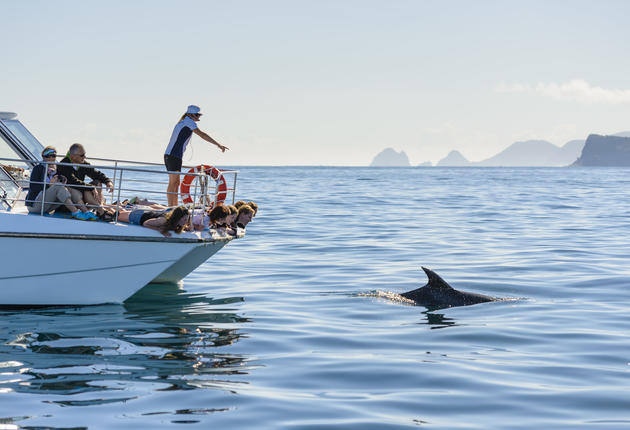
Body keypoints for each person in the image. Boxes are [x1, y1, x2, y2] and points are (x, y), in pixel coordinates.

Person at [164, 105, 229, 207]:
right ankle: (171, 206)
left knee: (176, 182)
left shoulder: (186, 121)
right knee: (173, 182)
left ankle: (174, 205)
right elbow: (202, 135)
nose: (199, 116)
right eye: (197, 114)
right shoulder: (188, 121)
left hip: (174, 156)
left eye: (199, 114)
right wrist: (218, 144)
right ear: (191, 115)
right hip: (172, 155)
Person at [24, 146, 94, 220]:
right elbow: (33, 187)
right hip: (35, 205)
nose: (51, 158)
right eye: (48, 156)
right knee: (58, 186)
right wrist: (49, 185)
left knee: (68, 188)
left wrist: (63, 182)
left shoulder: (56, 170)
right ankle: (76, 212)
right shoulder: (38, 168)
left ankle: (85, 211)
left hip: (47, 206)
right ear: (43, 157)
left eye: (53, 156)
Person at [57, 143, 115, 219]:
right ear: (73, 156)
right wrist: (90, 187)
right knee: (88, 189)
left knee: (97, 182)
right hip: (70, 199)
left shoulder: (82, 163)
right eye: (82, 155)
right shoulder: (64, 164)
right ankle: (102, 211)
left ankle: (100, 210)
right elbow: (72, 181)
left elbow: (95, 173)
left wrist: (108, 182)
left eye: (84, 154)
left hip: (80, 194)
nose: (84, 157)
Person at [116, 206, 190, 237]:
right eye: (184, 219)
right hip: (139, 216)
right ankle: (107, 208)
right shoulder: (163, 221)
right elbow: (146, 223)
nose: (185, 222)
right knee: (116, 215)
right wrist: (160, 230)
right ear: (177, 218)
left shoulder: (176, 223)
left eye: (187, 219)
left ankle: (117, 206)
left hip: (146, 212)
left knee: (121, 212)